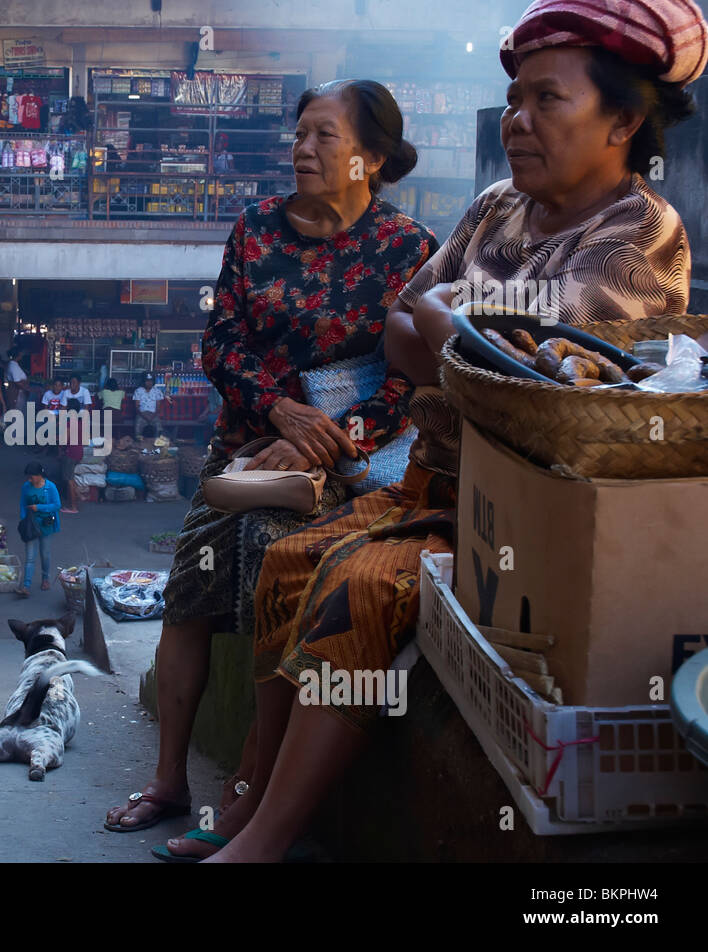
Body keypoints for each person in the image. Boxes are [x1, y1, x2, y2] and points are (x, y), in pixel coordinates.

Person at [201, 0, 699, 863]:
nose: (517, 122)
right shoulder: (498, 207)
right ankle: (253, 792)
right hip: (427, 478)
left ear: (624, 120)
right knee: (285, 560)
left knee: (355, 588)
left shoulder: (637, 232)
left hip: (503, 512)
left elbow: (528, 371)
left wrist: (443, 318)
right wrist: (446, 323)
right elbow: (409, 338)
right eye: (514, 100)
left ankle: (265, 841)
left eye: (548, 101)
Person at [105, 79, 439, 844]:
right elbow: (222, 344)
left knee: (271, 592)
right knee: (187, 600)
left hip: (340, 471)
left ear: (371, 158)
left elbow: (409, 378)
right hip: (246, 451)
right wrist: (279, 413)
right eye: (300, 135)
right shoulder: (255, 230)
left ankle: (245, 797)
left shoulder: (408, 250)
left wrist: (331, 435)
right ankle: (167, 782)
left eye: (325, 136)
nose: (303, 149)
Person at [17, 461, 61, 598]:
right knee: (30, 557)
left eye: (32, 476)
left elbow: (57, 505)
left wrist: (39, 508)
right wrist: (24, 520)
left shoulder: (50, 487)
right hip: (31, 525)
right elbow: (23, 504)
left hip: (46, 525)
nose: (30, 479)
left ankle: (45, 579)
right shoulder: (26, 487)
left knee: (45, 554)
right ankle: (26, 585)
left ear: (39, 475)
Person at [58, 376, 93, 513]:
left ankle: (73, 507)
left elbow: (64, 441)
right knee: (70, 478)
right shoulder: (80, 422)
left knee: (69, 480)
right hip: (79, 452)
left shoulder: (69, 423)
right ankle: (80, 496)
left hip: (70, 453)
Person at [131, 373, 170, 439]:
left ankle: (157, 444)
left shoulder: (157, 391)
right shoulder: (138, 391)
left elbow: (158, 407)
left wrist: (152, 416)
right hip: (142, 415)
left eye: (151, 381)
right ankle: (139, 443)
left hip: (153, 415)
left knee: (159, 428)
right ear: (143, 382)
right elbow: (137, 407)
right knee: (137, 428)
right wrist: (145, 416)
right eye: (147, 381)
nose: (149, 383)